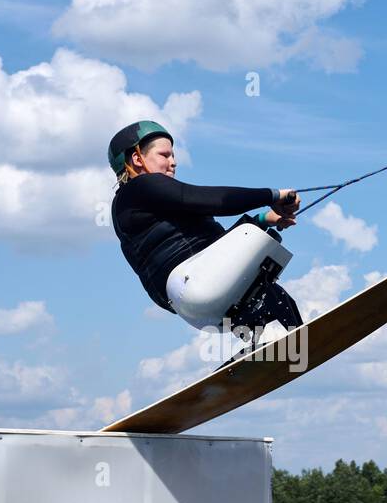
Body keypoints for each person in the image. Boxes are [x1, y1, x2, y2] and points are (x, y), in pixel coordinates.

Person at [108, 121, 305, 356]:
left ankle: (258, 336)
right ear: (137, 159)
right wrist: (273, 195)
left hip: (196, 309)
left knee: (259, 248)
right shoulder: (139, 186)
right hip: (197, 282)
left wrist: (264, 219)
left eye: (173, 155)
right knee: (267, 266)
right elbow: (210, 199)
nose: (173, 162)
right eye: (164, 154)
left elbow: (218, 248)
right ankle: (298, 337)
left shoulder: (140, 203)